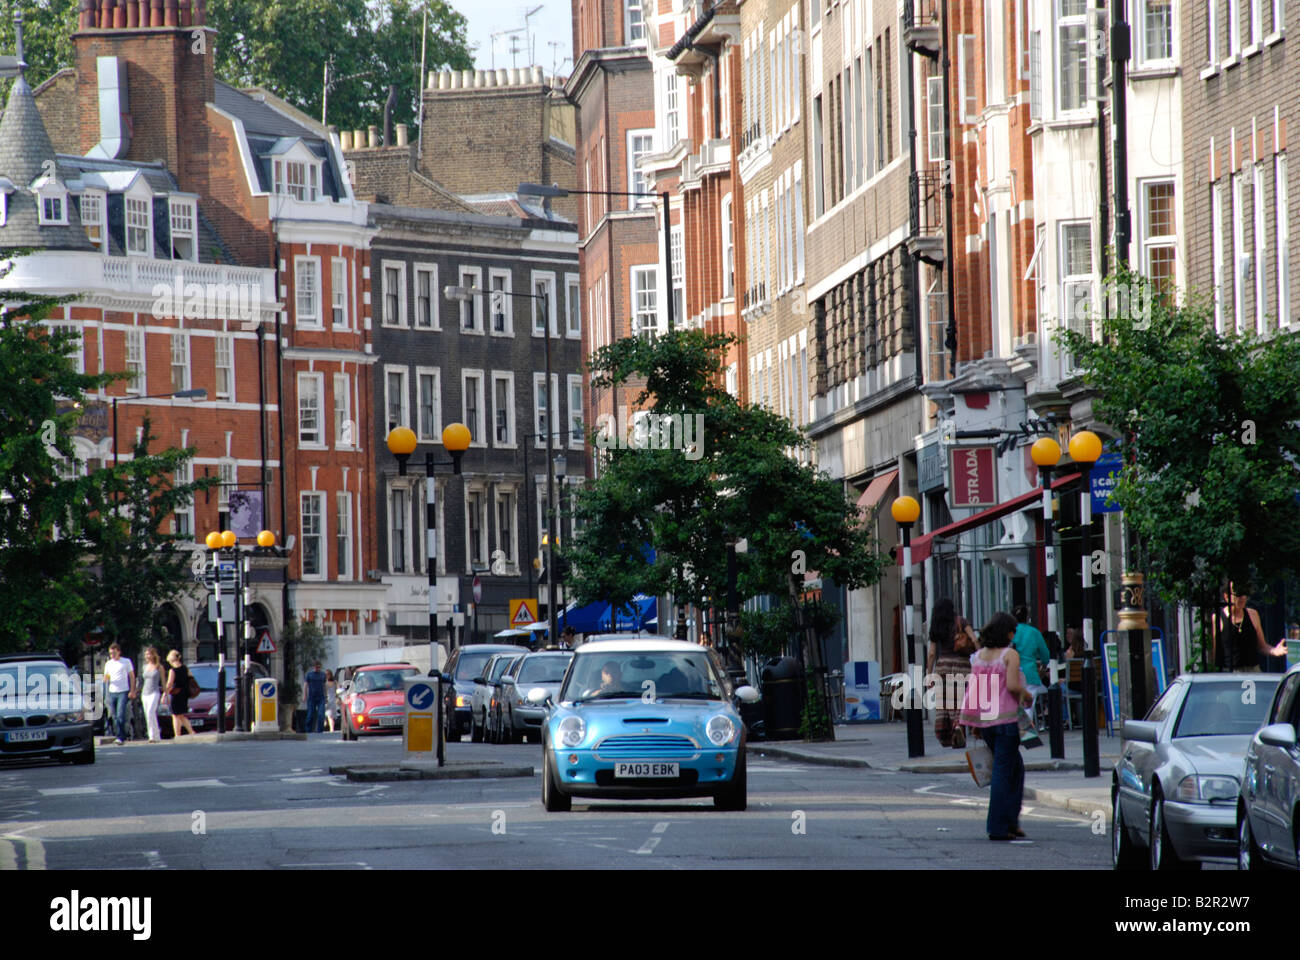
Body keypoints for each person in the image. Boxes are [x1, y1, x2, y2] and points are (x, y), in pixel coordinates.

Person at [959, 611, 1033, 841]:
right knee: (1003, 771)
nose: (1014, 635)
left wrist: (974, 723)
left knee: (1014, 768)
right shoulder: (1009, 655)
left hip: (987, 721)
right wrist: (1026, 694)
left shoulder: (979, 656)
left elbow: (976, 689)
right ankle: (998, 826)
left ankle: (1011, 822)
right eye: (1013, 631)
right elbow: (1012, 685)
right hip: (1007, 720)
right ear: (1008, 632)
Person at [925, 598, 975, 748]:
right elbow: (973, 638)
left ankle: (947, 732)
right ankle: (958, 724)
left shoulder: (935, 626)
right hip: (962, 665)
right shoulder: (961, 621)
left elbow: (932, 654)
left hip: (943, 667)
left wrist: (929, 675)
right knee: (960, 699)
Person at [1216, 586, 1285, 672]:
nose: (1243, 598)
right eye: (1238, 594)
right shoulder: (1218, 618)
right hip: (1230, 671)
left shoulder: (1253, 614)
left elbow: (1261, 646)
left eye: (1245, 594)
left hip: (1253, 670)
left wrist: (1274, 651)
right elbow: (1216, 651)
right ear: (1226, 596)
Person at [1011, 604, 1051, 721]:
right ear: (1027, 618)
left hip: (1011, 675)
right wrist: (1042, 666)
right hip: (1030, 675)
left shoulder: (1010, 632)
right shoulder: (1034, 632)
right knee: (1028, 708)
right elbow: (1046, 655)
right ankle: (1026, 731)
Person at [103, 644, 136, 744]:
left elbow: (132, 676)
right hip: (112, 691)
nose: (112, 655)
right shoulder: (108, 664)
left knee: (120, 713)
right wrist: (105, 679)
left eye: (114, 653)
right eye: (110, 653)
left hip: (123, 691)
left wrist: (132, 690)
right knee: (114, 715)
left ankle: (121, 736)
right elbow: (106, 677)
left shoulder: (126, 662)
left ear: (119, 652)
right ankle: (120, 734)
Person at [165, 650, 196, 738]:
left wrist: (165, 694)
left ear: (171, 660)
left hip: (176, 694)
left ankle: (177, 734)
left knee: (175, 715)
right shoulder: (185, 668)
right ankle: (191, 731)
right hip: (185, 693)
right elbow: (191, 678)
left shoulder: (173, 671)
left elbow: (169, 683)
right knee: (181, 715)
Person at [138, 647, 165, 742]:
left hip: (154, 692)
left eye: (148, 654)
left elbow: (163, 682)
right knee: (148, 715)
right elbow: (142, 681)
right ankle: (155, 735)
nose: (147, 656)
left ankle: (153, 735)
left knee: (150, 712)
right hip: (145, 693)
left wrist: (165, 695)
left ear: (153, 655)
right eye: (146, 654)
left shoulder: (159, 667)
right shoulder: (144, 667)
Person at [304, 661, 327, 732]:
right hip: (311, 697)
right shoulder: (309, 675)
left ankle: (320, 730)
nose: (318, 669)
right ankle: (308, 730)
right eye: (317, 667)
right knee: (310, 715)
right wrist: (304, 695)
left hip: (321, 697)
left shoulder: (323, 675)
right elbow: (305, 685)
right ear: (314, 667)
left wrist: (326, 696)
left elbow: (324, 686)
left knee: (321, 714)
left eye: (319, 667)